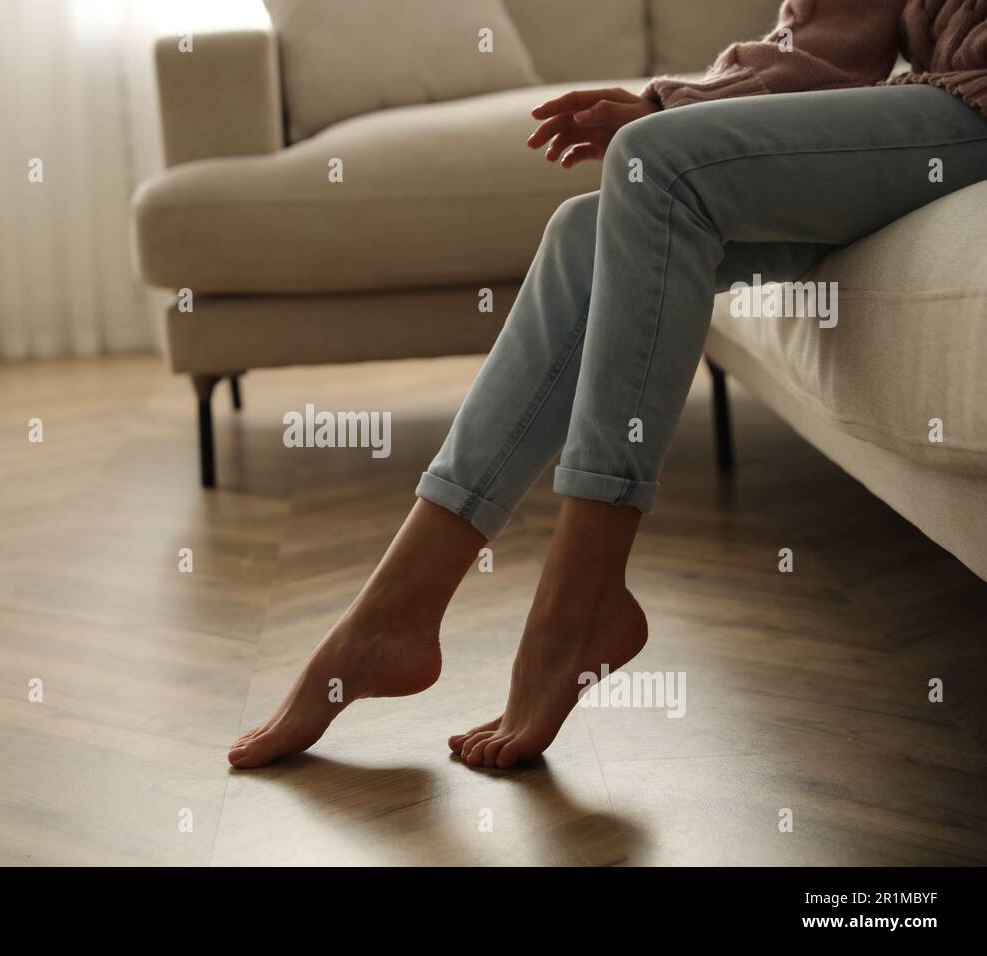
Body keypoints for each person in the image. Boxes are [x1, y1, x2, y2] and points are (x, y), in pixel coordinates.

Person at [228, 0, 987, 769]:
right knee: (582, 236)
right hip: (947, 94)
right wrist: (672, 103)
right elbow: (834, 38)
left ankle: (580, 601)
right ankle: (393, 612)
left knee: (651, 158)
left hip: (974, 100)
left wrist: (662, 114)